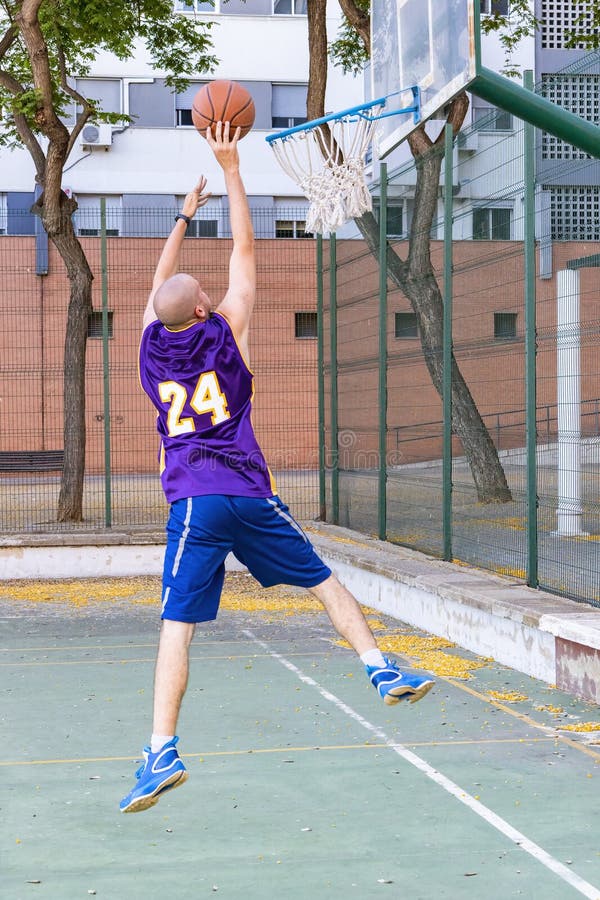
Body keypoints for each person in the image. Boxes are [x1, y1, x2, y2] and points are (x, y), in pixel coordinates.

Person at [120, 121, 434, 814]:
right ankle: (379, 669)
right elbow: (245, 248)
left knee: (178, 623)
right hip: (250, 493)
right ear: (205, 307)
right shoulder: (227, 329)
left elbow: (156, 287)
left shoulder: (148, 348)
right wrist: (231, 170)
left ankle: (160, 750)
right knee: (323, 582)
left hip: (195, 502)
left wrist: (180, 216)